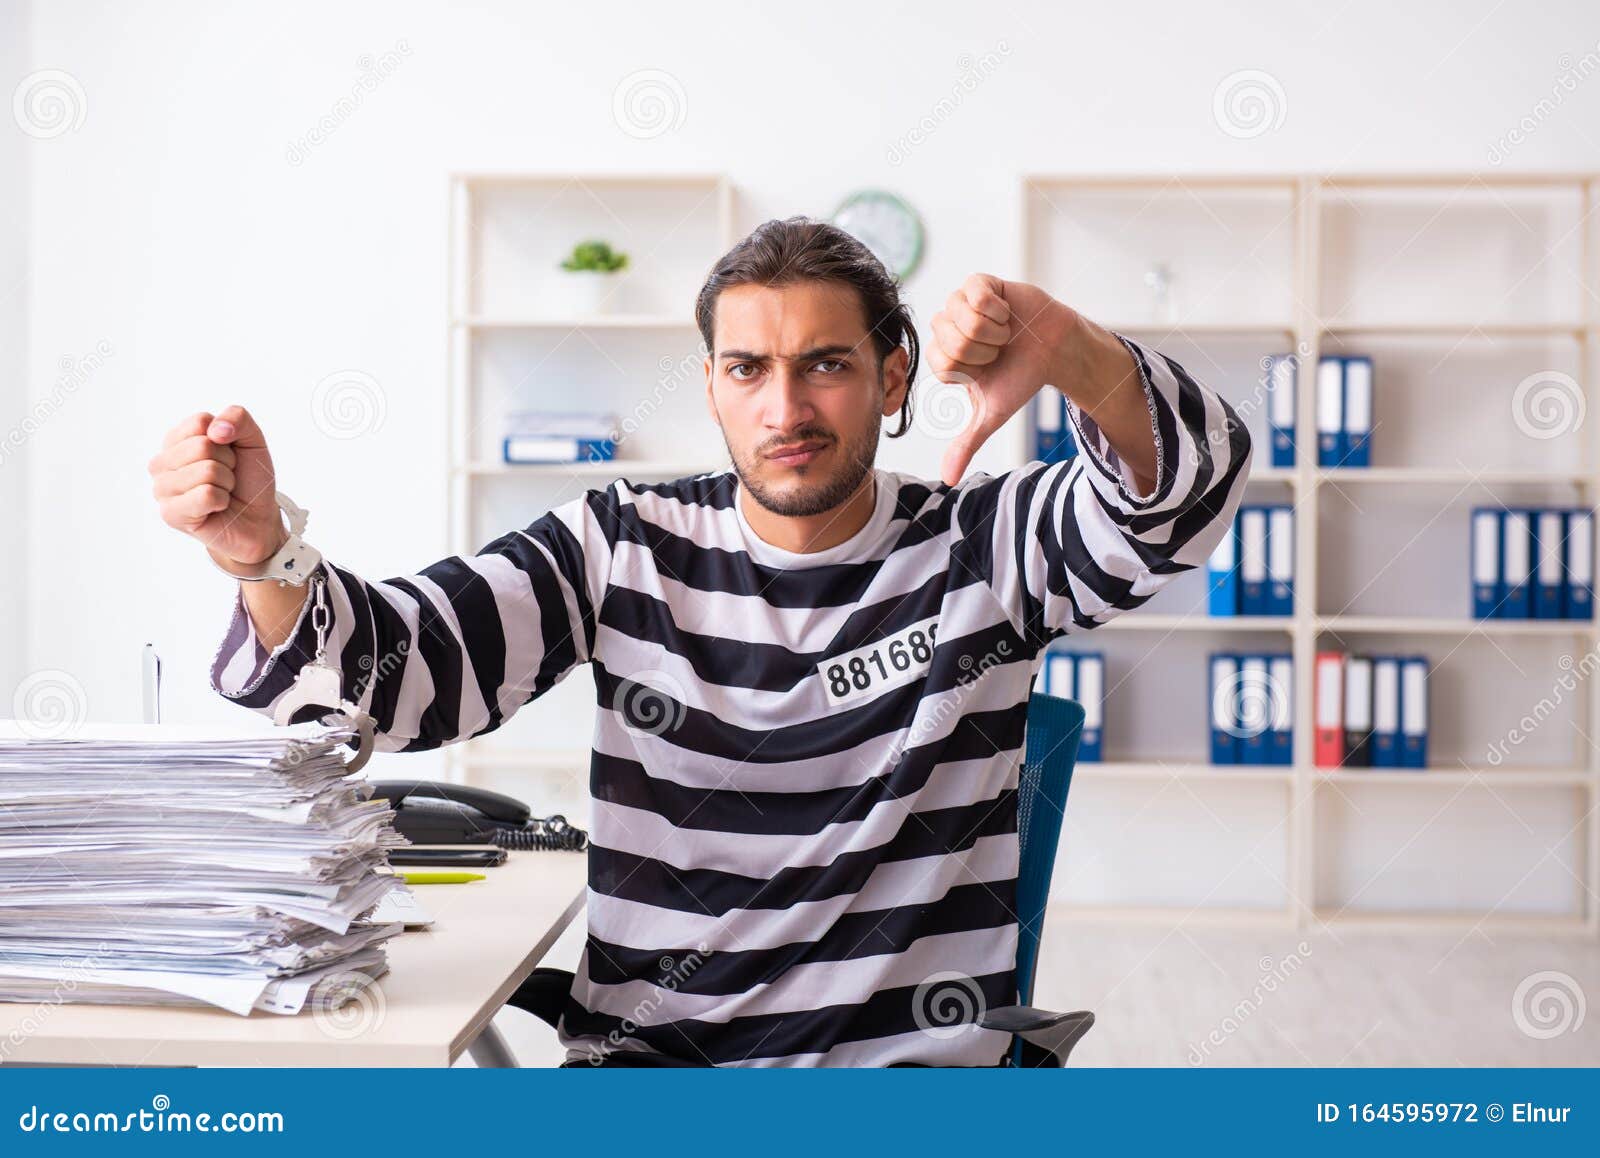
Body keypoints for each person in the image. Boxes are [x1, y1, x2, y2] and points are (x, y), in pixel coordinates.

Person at [148, 217, 1250, 1067]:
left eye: (825, 363)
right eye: (747, 370)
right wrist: (262, 558)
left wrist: (1070, 353)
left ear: (893, 375)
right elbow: (401, 679)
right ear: (712, 385)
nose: (786, 408)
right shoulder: (622, 542)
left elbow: (1181, 499)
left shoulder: (986, 540)